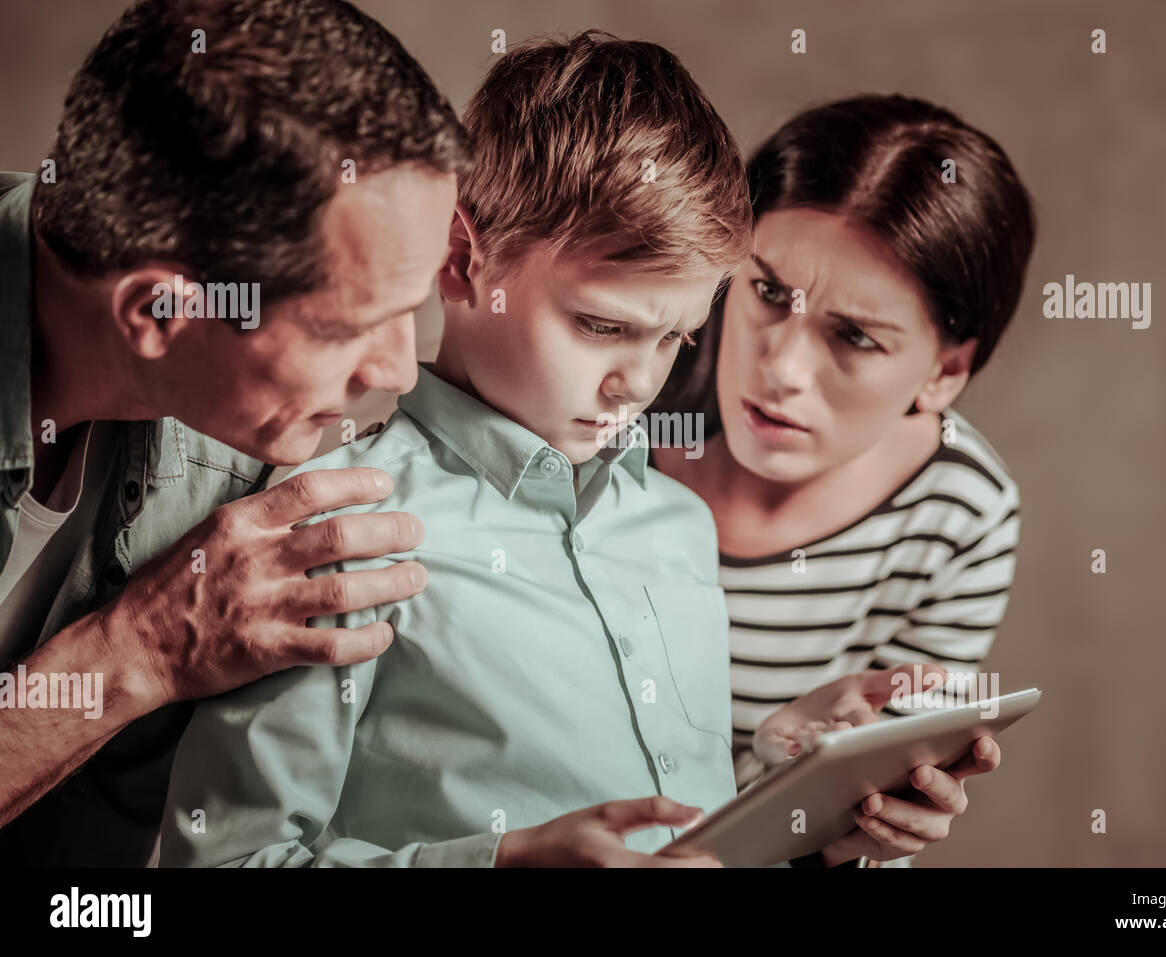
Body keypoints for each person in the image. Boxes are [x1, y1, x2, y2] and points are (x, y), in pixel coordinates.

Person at [160, 32, 956, 869]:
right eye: (602, 325)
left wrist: (807, 807)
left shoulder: (678, 526)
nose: (636, 384)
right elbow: (226, 861)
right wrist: (501, 863)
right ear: (462, 260)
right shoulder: (333, 533)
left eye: (676, 339)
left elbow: (676, 841)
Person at [0, 0, 471, 865]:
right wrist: (138, 649)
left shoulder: (245, 423)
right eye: (348, 327)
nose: (399, 371)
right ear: (157, 312)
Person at [651, 94, 1035, 866]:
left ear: (945, 371)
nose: (782, 367)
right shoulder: (610, 405)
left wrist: (831, 819)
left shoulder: (959, 513)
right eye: (767, 292)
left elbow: (830, 830)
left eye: (854, 336)